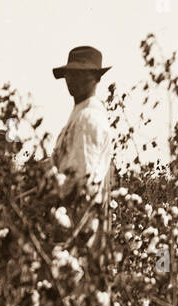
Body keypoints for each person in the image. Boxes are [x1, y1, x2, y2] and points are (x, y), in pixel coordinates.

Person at [51, 46, 114, 200]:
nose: (72, 79)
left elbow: (82, 179)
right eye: (69, 74)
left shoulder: (88, 118)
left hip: (77, 211)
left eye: (79, 74)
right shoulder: (80, 114)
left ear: (95, 78)